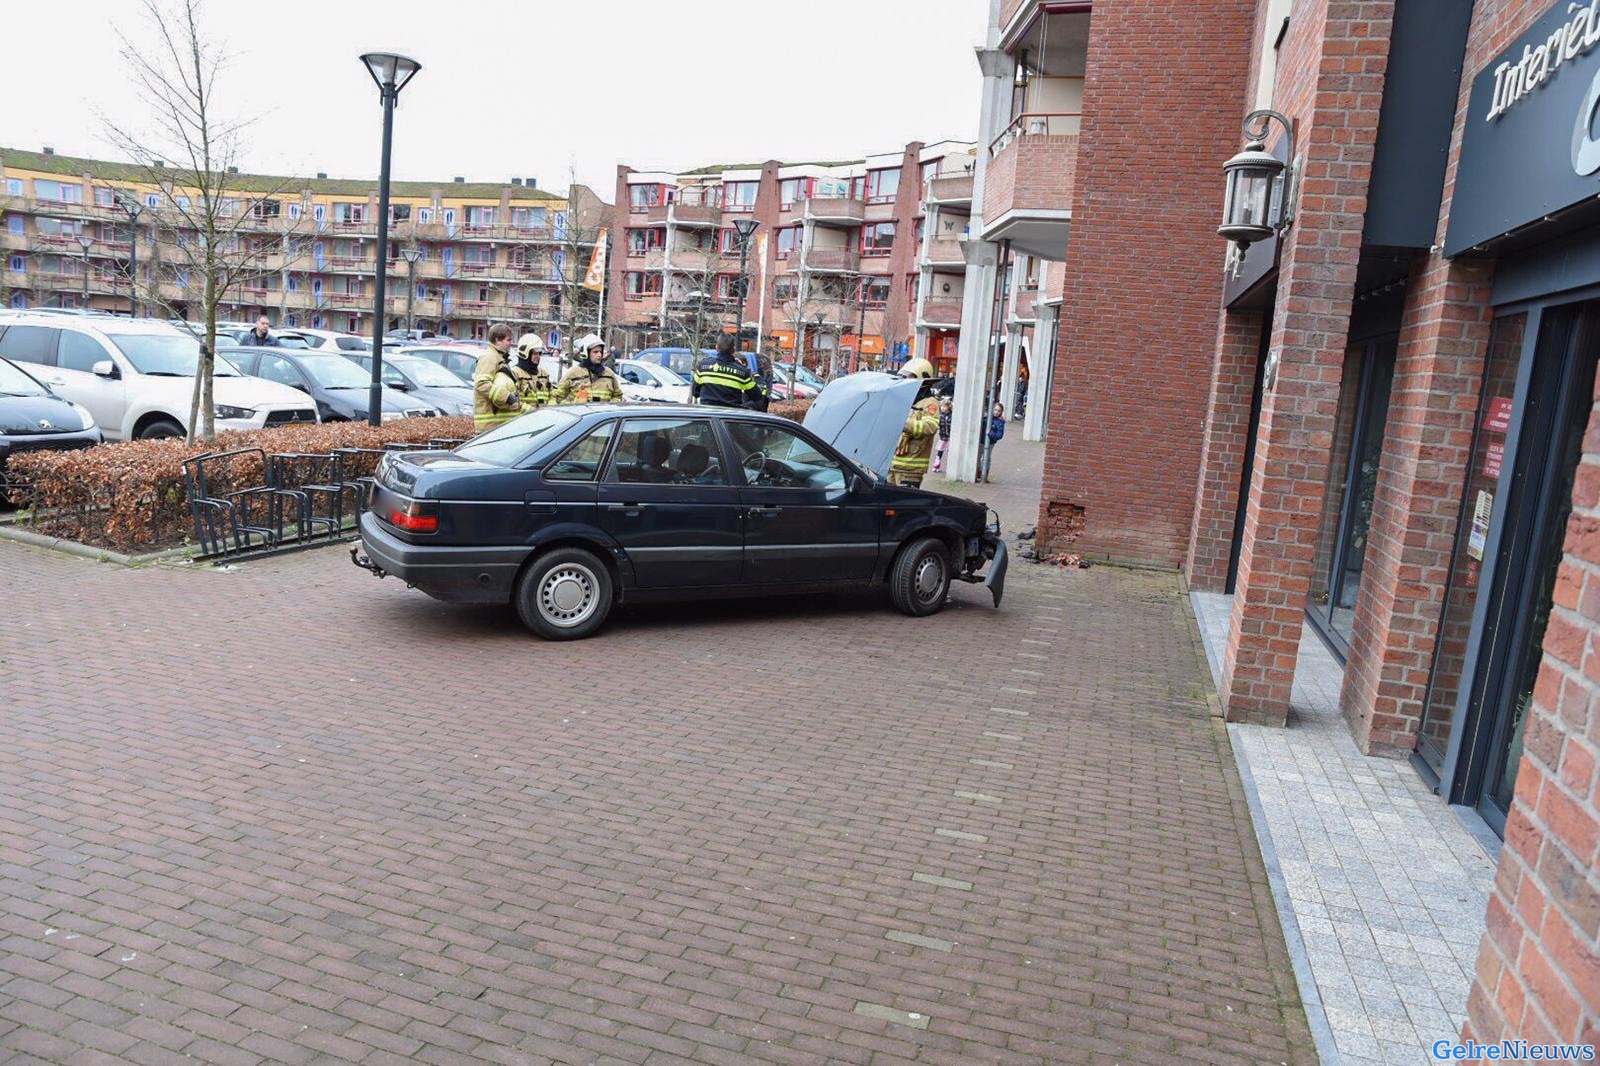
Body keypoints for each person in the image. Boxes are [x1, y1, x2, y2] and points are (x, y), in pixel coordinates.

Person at [888, 357, 941, 488]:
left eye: (910, 377)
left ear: (922, 379)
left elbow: (930, 427)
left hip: (910, 468)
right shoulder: (905, 400)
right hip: (892, 465)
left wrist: (902, 422)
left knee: (905, 501)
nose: (906, 381)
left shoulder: (930, 403)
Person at [472, 323, 523, 430]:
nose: (511, 343)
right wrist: (507, 397)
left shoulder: (499, 358)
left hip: (497, 425)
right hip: (490, 426)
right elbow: (481, 384)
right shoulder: (489, 357)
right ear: (497, 340)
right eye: (508, 340)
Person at [691, 334, 761, 409]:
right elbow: (757, 396)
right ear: (733, 349)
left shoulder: (703, 366)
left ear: (716, 347)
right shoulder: (742, 372)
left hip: (706, 412)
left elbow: (695, 392)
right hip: (730, 414)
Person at [553, 333, 625, 404]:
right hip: (580, 412)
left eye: (600, 352)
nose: (599, 355)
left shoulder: (609, 373)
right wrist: (574, 405)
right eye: (595, 352)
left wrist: (609, 406)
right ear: (585, 353)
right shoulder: (573, 373)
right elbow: (556, 398)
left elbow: (618, 396)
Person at [512, 333, 553, 408]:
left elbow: (552, 395)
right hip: (525, 415)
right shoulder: (515, 374)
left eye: (539, 353)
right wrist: (530, 411)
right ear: (525, 354)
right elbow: (513, 401)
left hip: (544, 414)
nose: (538, 356)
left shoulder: (544, 374)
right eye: (535, 353)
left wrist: (551, 408)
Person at [979, 402, 1006, 483]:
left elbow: (999, 435)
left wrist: (990, 433)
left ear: (1001, 412)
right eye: (995, 410)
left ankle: (984, 475)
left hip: (990, 443)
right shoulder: (986, 418)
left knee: (986, 458)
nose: (996, 412)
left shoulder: (1000, 422)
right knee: (978, 457)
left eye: (998, 411)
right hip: (980, 441)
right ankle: (978, 473)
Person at [931, 396, 954, 473]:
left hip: (950, 437)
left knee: (950, 451)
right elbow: (937, 424)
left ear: (949, 407)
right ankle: (936, 465)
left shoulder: (952, 416)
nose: (943, 408)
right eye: (942, 407)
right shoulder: (940, 416)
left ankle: (950, 466)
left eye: (945, 407)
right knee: (940, 450)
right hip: (943, 437)